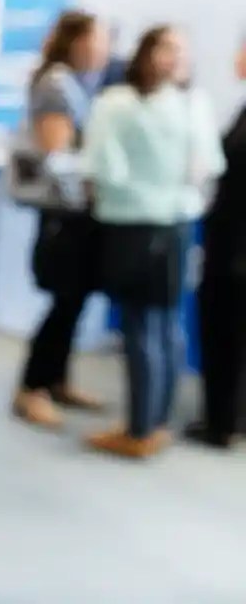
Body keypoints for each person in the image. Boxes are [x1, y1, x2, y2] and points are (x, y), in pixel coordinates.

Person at [83, 25, 225, 459]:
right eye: (166, 48)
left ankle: (143, 427)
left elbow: (104, 167)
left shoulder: (155, 104)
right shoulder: (137, 102)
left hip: (145, 224)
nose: (173, 58)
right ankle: (151, 421)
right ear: (145, 53)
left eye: (180, 50)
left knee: (149, 325)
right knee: (160, 324)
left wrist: (143, 191)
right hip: (168, 220)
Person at [12, 10, 117, 428]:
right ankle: (32, 387)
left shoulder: (79, 84)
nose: (102, 49)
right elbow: (57, 156)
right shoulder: (57, 85)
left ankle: (56, 380)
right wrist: (91, 192)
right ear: (74, 41)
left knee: (72, 303)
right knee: (63, 302)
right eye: (95, 39)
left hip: (78, 213)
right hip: (66, 214)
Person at [188, 42, 246, 449]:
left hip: (235, 249)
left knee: (226, 333)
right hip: (229, 242)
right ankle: (228, 418)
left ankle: (222, 422)